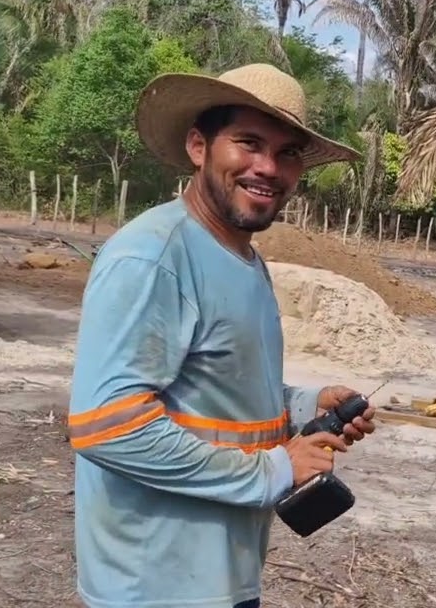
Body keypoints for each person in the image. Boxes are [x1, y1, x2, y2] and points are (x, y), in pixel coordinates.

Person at [66, 63, 377, 608]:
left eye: (287, 153)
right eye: (249, 143)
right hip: (155, 585)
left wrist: (306, 405)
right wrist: (277, 468)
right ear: (198, 146)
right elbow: (108, 427)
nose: (268, 168)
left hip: (218, 574)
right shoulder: (154, 257)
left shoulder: (244, 260)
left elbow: (217, 390)